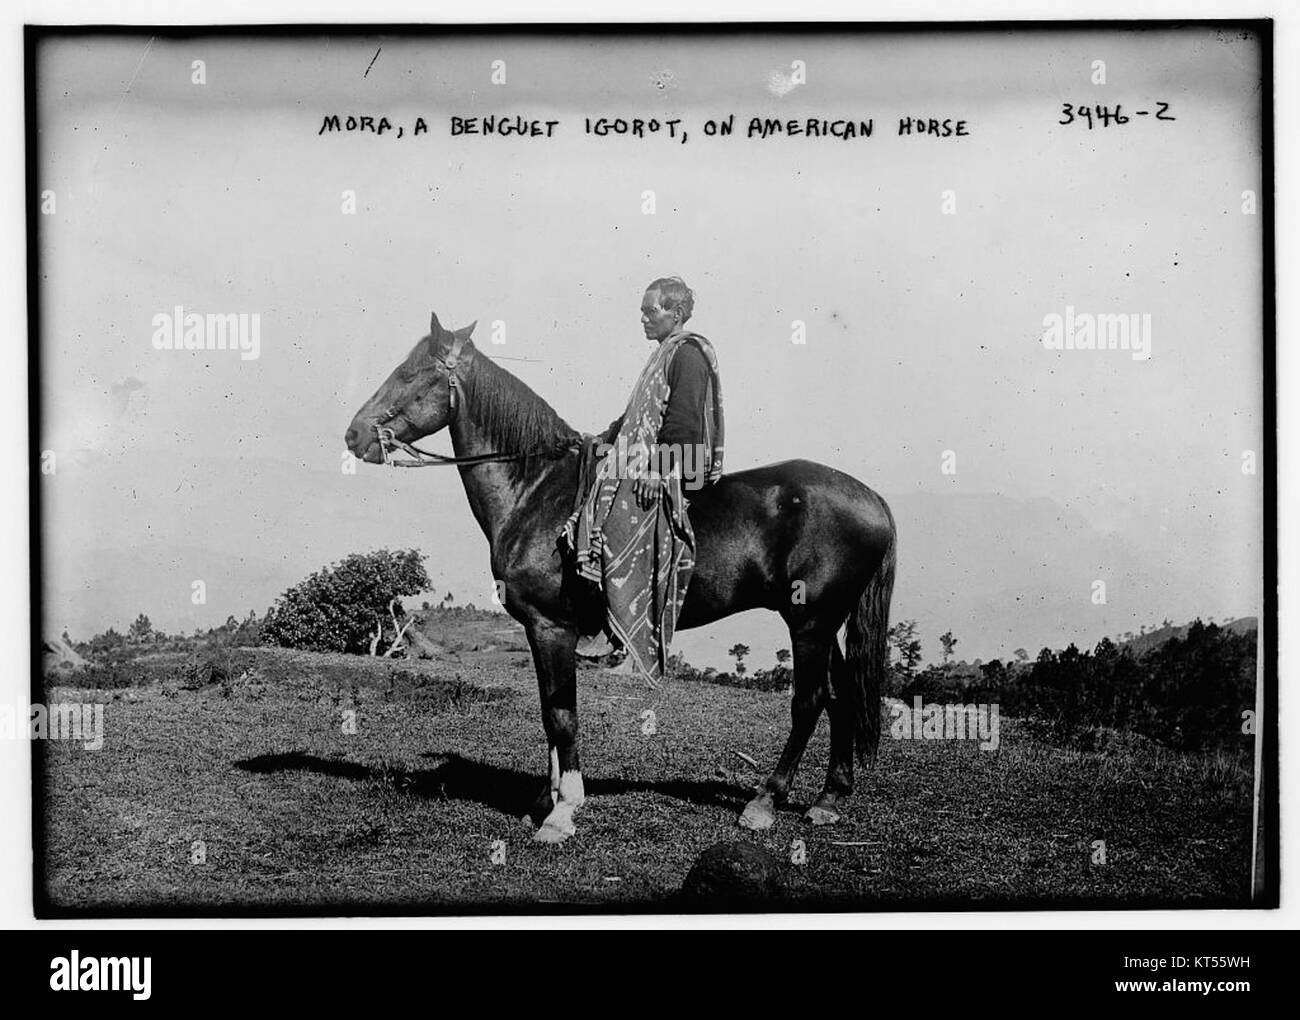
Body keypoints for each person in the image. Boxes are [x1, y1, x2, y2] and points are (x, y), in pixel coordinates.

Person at [563, 277, 724, 682]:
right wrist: (601, 439)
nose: (643, 318)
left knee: (617, 512)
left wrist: (658, 469)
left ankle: (619, 635)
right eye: (642, 311)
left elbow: (683, 419)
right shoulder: (662, 355)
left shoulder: (688, 354)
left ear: (677, 313)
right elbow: (635, 418)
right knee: (596, 481)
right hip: (653, 457)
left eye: (650, 311)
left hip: (678, 461)